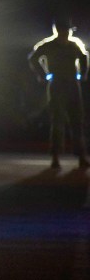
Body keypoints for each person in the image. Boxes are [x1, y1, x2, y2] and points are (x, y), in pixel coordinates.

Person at [26, 17, 90, 171]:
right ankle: (56, 157)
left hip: (72, 85)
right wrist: (44, 75)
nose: (66, 33)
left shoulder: (74, 45)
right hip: (57, 85)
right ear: (57, 30)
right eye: (63, 30)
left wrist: (82, 75)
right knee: (58, 121)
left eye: (67, 30)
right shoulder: (49, 45)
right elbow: (33, 58)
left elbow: (84, 58)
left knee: (77, 121)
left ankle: (81, 156)